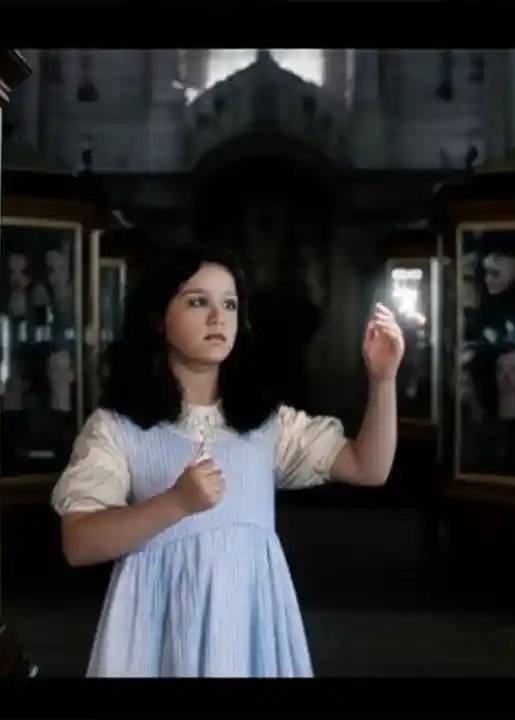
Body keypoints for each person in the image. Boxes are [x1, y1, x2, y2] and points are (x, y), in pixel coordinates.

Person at [50, 241, 403, 677]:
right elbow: (79, 544)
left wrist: (382, 379)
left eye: (230, 304)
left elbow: (369, 467)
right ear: (159, 317)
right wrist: (174, 503)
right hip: (157, 631)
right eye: (198, 302)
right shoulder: (119, 428)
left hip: (248, 628)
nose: (218, 318)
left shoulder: (263, 425)